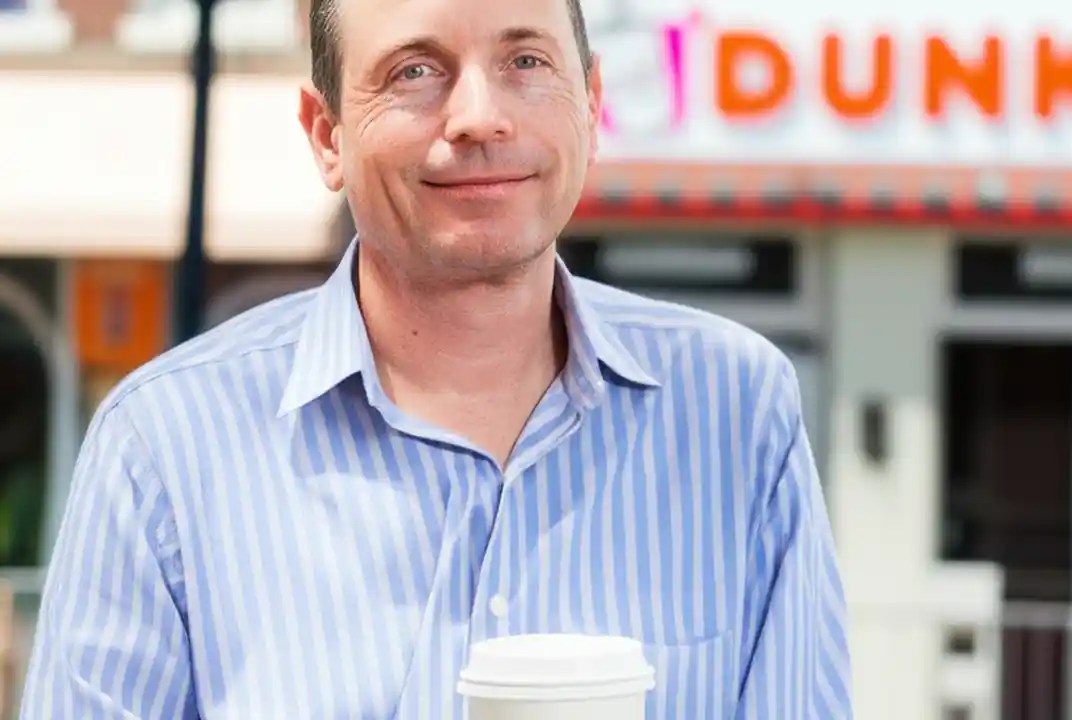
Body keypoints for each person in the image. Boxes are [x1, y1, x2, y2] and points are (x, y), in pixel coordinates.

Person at [20, 0, 853, 716]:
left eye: (526, 61)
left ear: (592, 104)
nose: (479, 117)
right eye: (415, 72)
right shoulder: (164, 445)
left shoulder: (735, 410)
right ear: (326, 135)